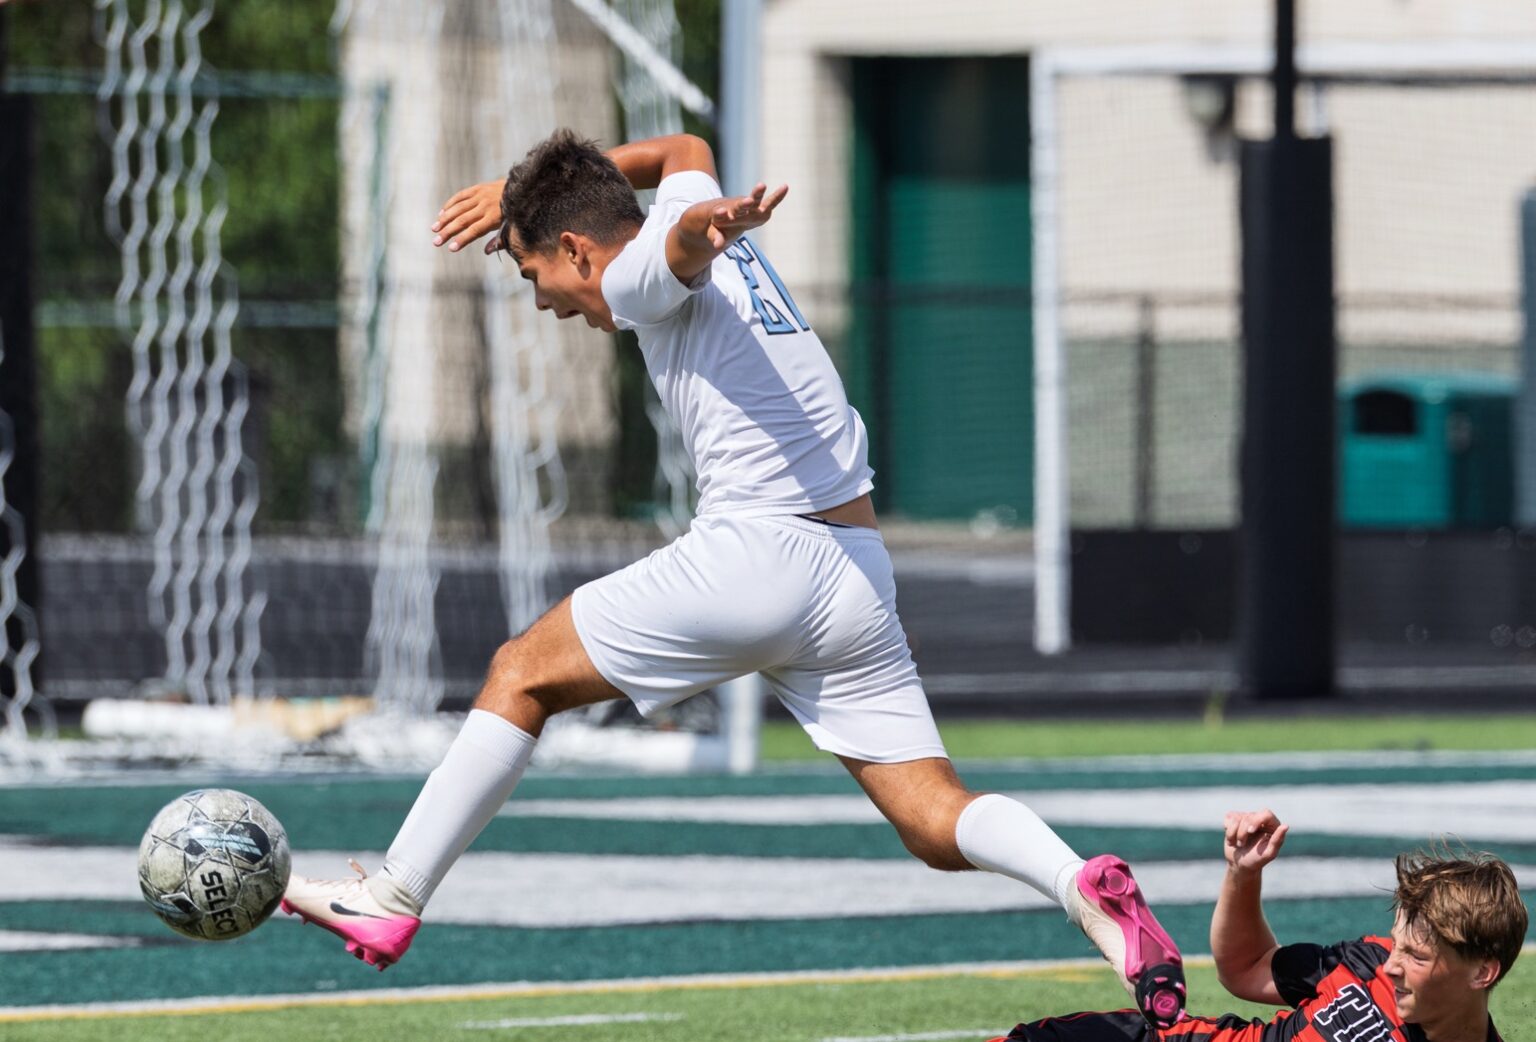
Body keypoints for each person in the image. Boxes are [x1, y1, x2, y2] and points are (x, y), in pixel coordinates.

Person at [279, 130, 1186, 1029]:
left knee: (521, 671)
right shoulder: (671, 201)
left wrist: (699, 233)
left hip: (762, 556)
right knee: (932, 819)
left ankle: (393, 894)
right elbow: (683, 143)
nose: (546, 301)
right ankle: (1079, 884)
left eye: (534, 277)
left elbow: (664, 256)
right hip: (855, 571)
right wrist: (541, 196)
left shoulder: (638, 265)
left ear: (576, 250)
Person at [999, 809, 1526, 1041]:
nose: (1393, 964)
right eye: (1398, 944)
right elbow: (1245, 968)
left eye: (1416, 956)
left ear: (1482, 972)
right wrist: (1242, 875)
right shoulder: (1365, 962)